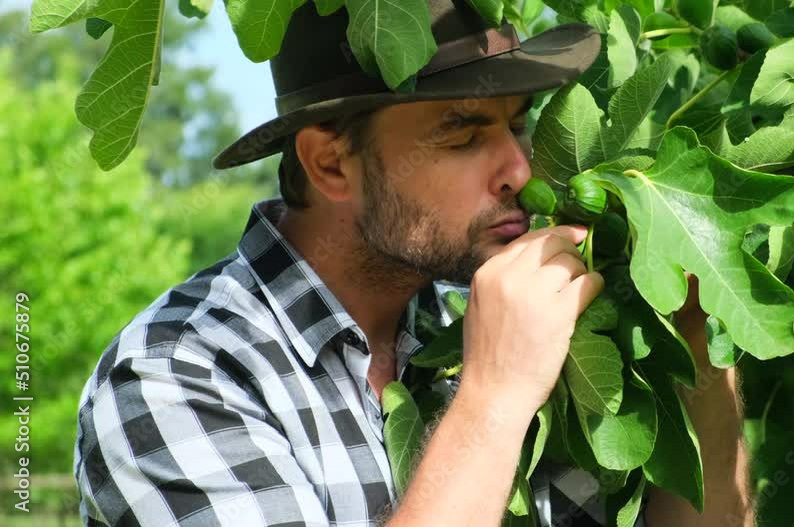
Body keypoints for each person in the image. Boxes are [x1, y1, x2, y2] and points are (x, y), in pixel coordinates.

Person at [73, 1, 751, 525]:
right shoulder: (177, 376)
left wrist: (696, 343)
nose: (519, 167)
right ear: (331, 163)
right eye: (464, 134)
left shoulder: (470, 331)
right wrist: (493, 400)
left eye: (516, 122)